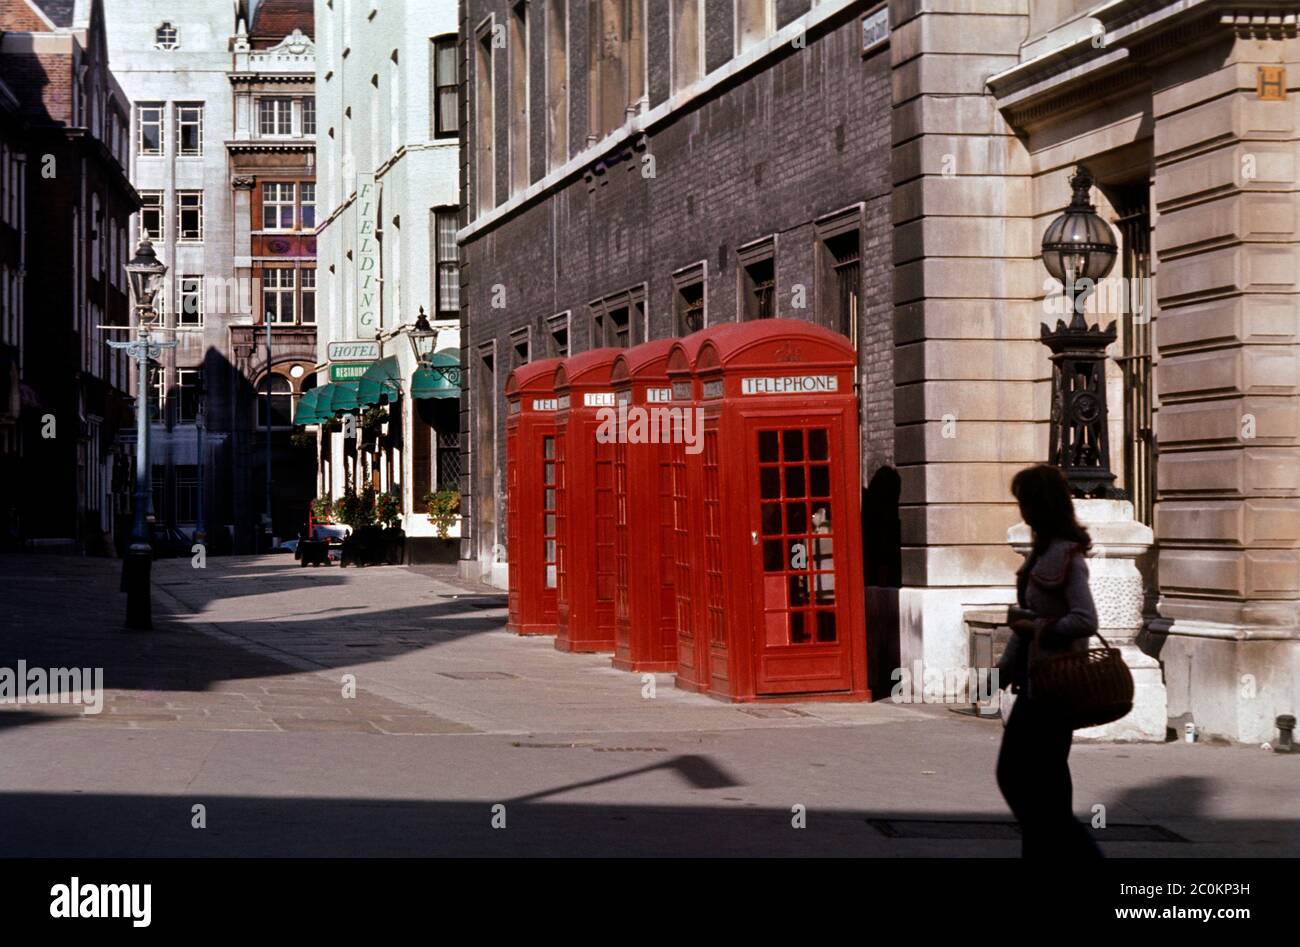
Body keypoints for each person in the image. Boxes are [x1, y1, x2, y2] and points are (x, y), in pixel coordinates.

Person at [996, 464, 1103, 858]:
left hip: (1056, 687)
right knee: (1047, 787)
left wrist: (1037, 626)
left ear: (1041, 505)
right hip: (1033, 684)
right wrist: (1002, 671)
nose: (1021, 510)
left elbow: (1086, 620)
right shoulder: (1042, 552)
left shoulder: (1067, 558)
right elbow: (1024, 622)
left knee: (1017, 777)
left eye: (1025, 501)